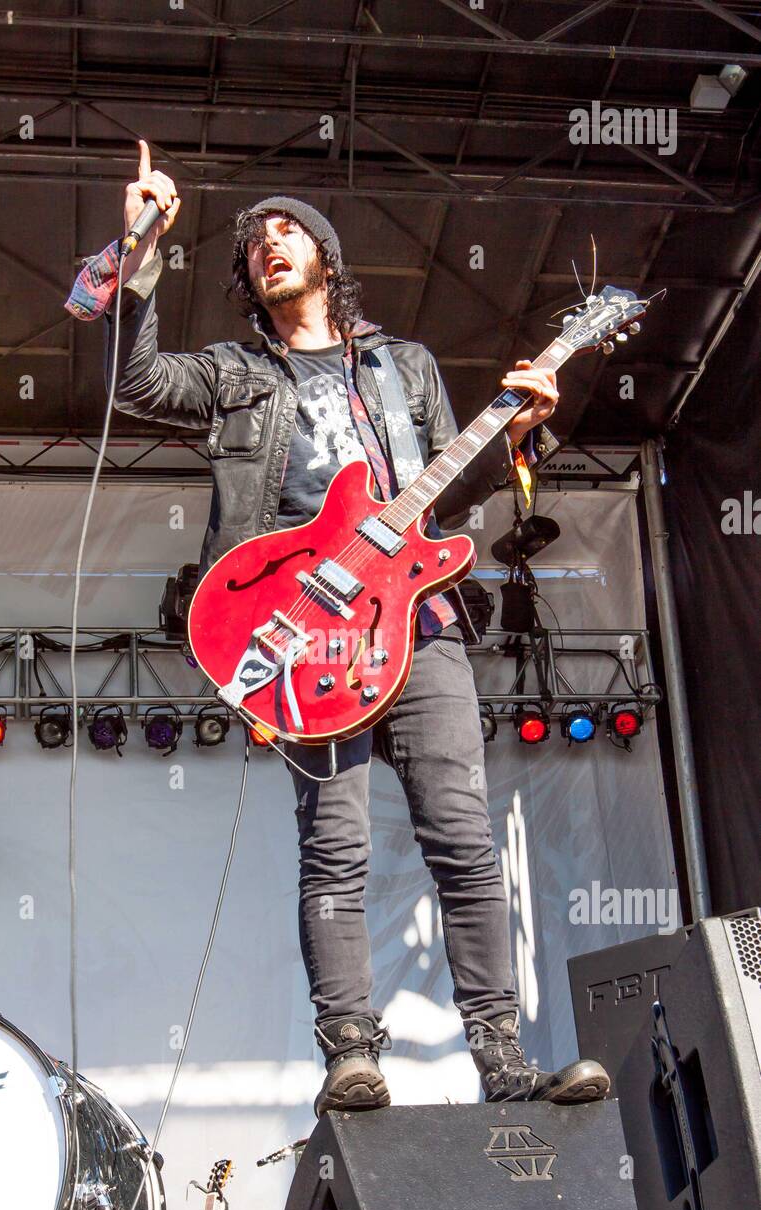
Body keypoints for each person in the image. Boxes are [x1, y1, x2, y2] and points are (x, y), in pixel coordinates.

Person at [103, 141, 610, 1117]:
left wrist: (521, 434)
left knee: (462, 841)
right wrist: (141, 252)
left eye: (287, 229)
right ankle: (349, 1055)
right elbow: (136, 386)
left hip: (418, 626)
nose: (267, 243)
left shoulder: (402, 368)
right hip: (307, 635)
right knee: (332, 848)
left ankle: (502, 1060)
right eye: (252, 240)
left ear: (328, 259)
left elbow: (449, 502)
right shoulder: (237, 374)